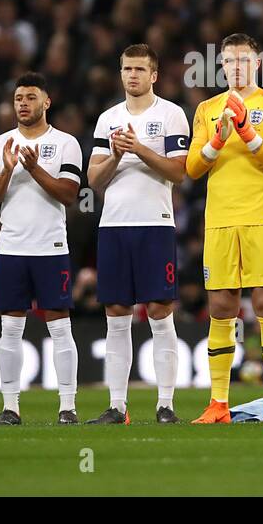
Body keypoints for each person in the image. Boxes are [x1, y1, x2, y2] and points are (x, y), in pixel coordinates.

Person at [186, 33, 263, 424]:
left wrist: (248, 133)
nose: (235, 67)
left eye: (243, 60)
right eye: (229, 61)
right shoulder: (207, 109)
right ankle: (218, 404)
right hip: (218, 219)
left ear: (258, 64)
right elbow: (192, 168)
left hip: (260, 217)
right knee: (220, 308)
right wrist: (217, 140)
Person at [86, 44, 190, 424]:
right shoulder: (107, 119)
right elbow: (94, 180)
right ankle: (117, 406)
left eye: (139, 69)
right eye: (126, 69)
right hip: (114, 225)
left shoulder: (172, 115)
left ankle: (165, 404)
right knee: (116, 312)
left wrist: (139, 149)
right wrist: (115, 154)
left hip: (155, 224)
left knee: (160, 312)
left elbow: (179, 172)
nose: (132, 75)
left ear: (154, 75)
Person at [0, 73, 84, 425]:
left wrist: (34, 167)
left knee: (60, 328)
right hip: (12, 247)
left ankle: (67, 407)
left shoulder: (67, 143)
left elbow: (69, 194)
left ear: (46, 102)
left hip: (51, 247)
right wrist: (9, 170)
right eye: (18, 98)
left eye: (30, 97)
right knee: (10, 329)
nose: (23, 103)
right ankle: (10, 408)